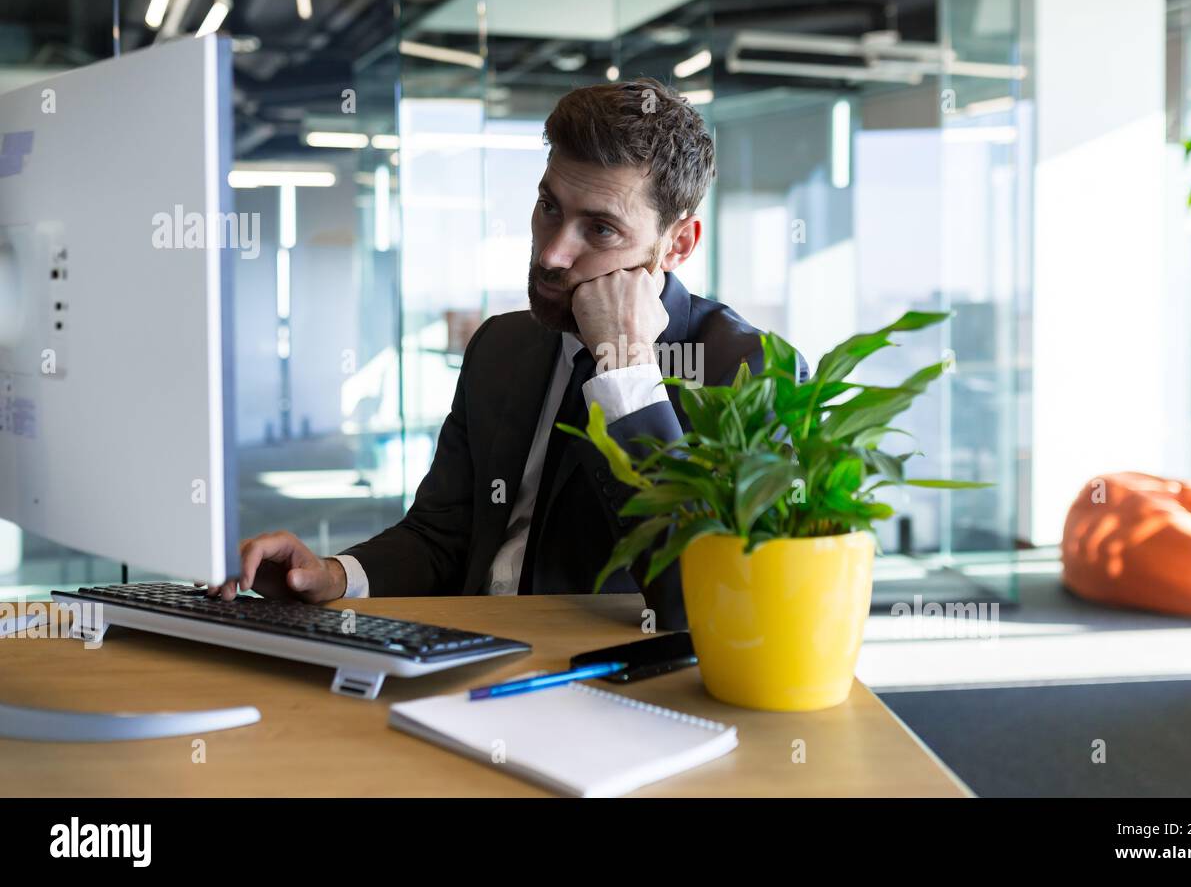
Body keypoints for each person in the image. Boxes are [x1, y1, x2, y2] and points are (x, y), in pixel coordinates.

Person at [219, 77, 800, 631]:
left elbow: (702, 604)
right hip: (469, 658)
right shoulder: (503, 345)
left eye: (599, 230)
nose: (551, 254)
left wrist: (627, 373)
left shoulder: (747, 373)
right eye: (550, 207)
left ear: (678, 244)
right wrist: (331, 576)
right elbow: (441, 535)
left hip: (618, 692)